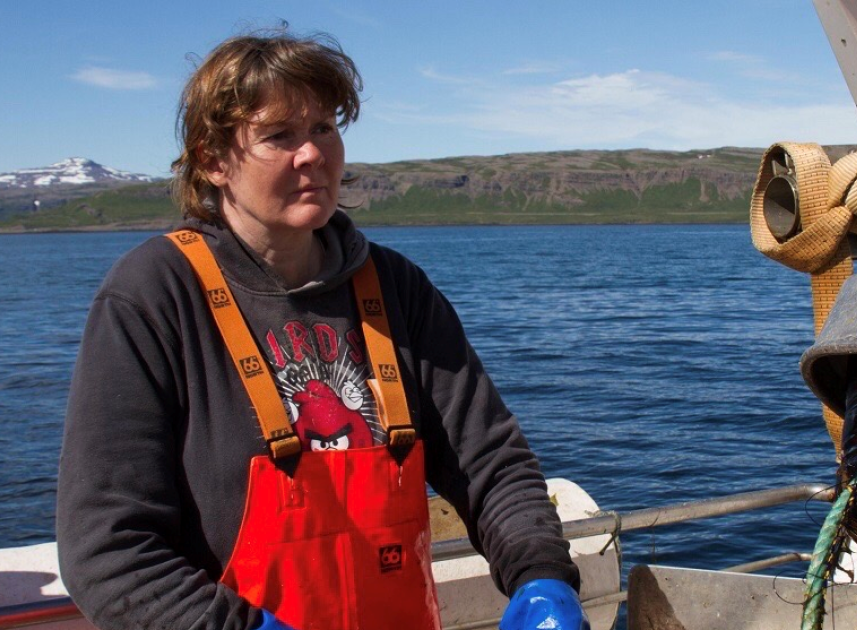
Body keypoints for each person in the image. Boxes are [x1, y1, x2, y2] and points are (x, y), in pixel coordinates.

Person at [56, 32, 588, 630]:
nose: (311, 154)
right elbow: (107, 547)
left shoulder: (395, 288)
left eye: (325, 128)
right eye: (279, 136)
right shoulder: (152, 295)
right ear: (212, 160)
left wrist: (541, 577)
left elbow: (490, 464)